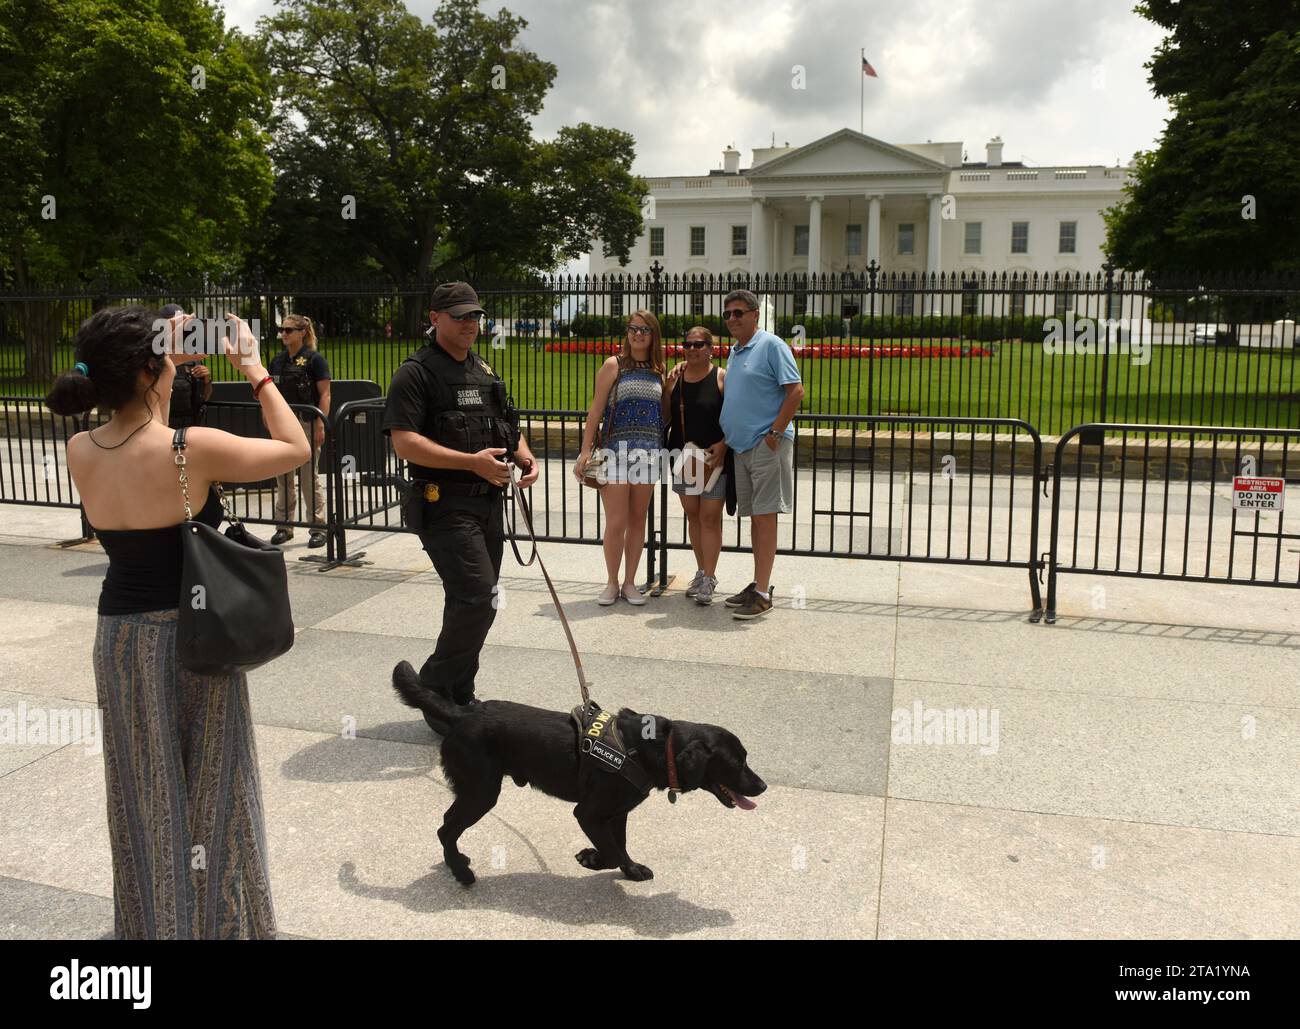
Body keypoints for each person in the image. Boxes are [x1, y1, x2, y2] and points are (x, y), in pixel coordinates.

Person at [45, 305, 310, 939]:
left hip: (120, 638)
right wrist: (252, 366)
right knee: (216, 786)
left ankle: (155, 927)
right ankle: (223, 926)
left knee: (142, 793)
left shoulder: (82, 448)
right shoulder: (193, 448)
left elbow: (135, 409)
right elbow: (297, 447)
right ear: (149, 370)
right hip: (195, 635)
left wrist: (163, 357)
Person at [384, 281, 539, 719]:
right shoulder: (415, 373)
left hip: (488, 504)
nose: (471, 324)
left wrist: (524, 455)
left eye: (475, 316)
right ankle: (433, 691)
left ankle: (459, 692)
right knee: (476, 596)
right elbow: (404, 442)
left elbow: (509, 424)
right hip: (444, 505)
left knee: (478, 601)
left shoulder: (484, 370)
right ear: (435, 319)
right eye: (460, 316)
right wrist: (469, 463)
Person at [717, 289, 805, 620]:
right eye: (727, 314)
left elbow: (795, 390)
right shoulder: (737, 352)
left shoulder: (771, 345)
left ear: (755, 314)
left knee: (765, 518)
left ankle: (763, 592)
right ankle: (758, 584)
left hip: (765, 445)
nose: (732, 319)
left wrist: (774, 433)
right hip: (742, 446)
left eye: (738, 312)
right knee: (755, 518)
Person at [573, 310, 665, 606]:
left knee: (638, 520)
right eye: (633, 329)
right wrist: (586, 450)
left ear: (654, 335)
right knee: (616, 521)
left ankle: (629, 583)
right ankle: (612, 582)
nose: (638, 334)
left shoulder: (658, 369)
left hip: (648, 453)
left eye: (645, 330)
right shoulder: (614, 365)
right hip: (616, 451)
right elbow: (596, 410)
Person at [662, 326, 728, 605]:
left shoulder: (722, 377)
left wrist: (725, 444)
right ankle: (701, 571)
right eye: (687, 345)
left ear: (711, 348)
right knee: (693, 515)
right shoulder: (676, 378)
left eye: (698, 344)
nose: (692, 349)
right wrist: (666, 389)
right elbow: (665, 417)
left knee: (710, 516)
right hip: (684, 457)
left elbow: (734, 415)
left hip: (714, 457)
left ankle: (710, 577)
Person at [268, 313, 330, 548]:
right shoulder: (277, 360)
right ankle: (284, 526)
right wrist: (267, 414)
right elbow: (270, 391)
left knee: (308, 477)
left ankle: (317, 527)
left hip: (306, 421)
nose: (283, 334)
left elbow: (325, 393)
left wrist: (320, 422)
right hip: (283, 423)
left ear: (302, 332)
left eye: (288, 330)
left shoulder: (314, 359)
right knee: (283, 476)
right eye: (282, 330)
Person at [160, 304, 212, 430]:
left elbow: (205, 395)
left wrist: (206, 379)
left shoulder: (191, 355)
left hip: (189, 427)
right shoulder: (151, 358)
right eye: (175, 323)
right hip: (163, 426)